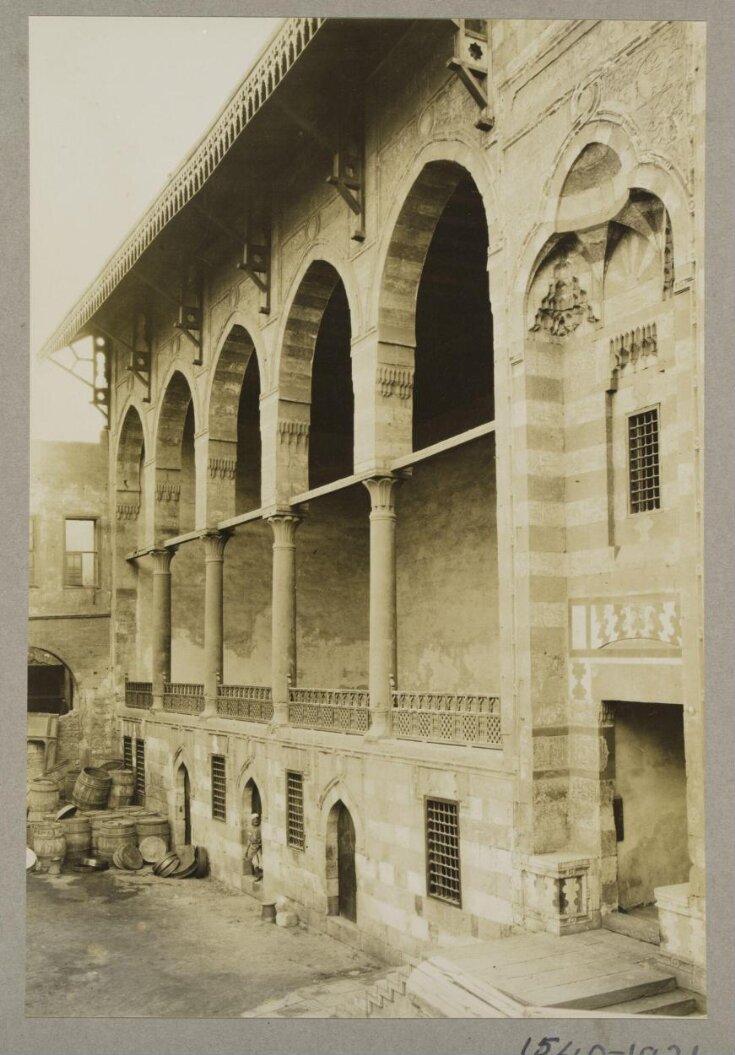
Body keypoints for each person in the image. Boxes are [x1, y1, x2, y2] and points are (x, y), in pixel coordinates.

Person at [245, 813, 262, 882]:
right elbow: (249, 840)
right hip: (253, 848)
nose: (256, 821)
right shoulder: (251, 829)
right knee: (255, 862)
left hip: (259, 848)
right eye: (254, 820)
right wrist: (246, 851)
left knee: (258, 861)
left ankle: (259, 875)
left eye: (257, 820)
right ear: (252, 821)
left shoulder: (260, 829)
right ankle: (257, 874)